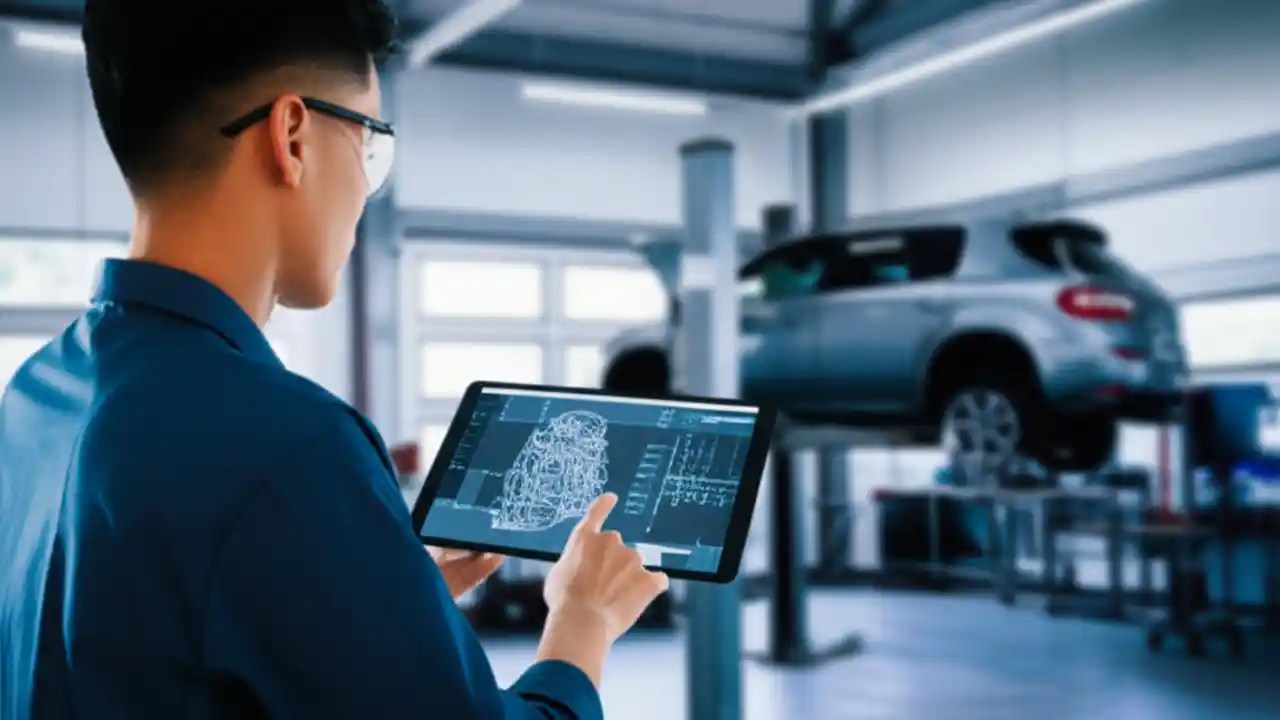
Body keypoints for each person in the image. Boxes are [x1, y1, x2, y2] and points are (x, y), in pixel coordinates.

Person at [0, 1, 668, 718]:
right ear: (293, 136)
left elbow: (147, 650)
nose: (366, 191)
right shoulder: (290, 447)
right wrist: (581, 626)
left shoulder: (36, 397)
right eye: (369, 143)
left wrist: (382, 602)